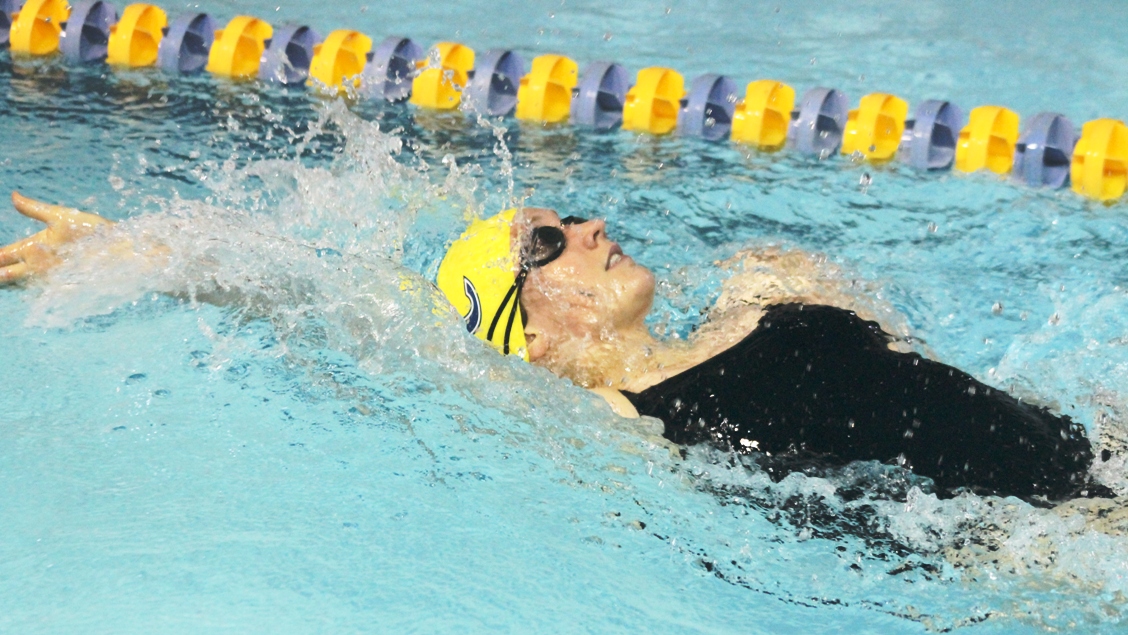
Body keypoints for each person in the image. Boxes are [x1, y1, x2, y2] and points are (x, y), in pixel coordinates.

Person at [1, 193, 1110, 504]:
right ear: (527, 323)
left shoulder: (765, 289)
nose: (585, 227)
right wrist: (142, 248)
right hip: (1033, 558)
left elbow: (944, 381)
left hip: (1093, 449)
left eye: (567, 215)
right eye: (546, 239)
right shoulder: (611, 425)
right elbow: (327, 302)